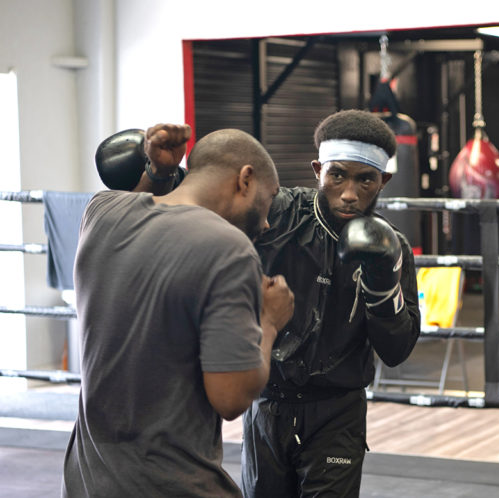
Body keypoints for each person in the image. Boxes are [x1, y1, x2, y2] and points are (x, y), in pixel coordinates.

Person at [100, 110, 421, 497]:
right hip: (266, 406)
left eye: (365, 179)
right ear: (318, 169)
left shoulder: (393, 247)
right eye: (337, 174)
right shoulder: (278, 211)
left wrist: (382, 287)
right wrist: (164, 174)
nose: (349, 193)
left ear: (383, 180)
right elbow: (206, 195)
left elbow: (397, 350)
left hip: (337, 414)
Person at [62, 124, 294, 497]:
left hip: (87, 482)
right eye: (270, 198)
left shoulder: (101, 212)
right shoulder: (228, 249)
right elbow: (231, 398)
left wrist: (157, 173)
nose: (266, 222)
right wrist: (269, 322)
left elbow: (141, 203)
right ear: (245, 179)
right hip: (173, 484)